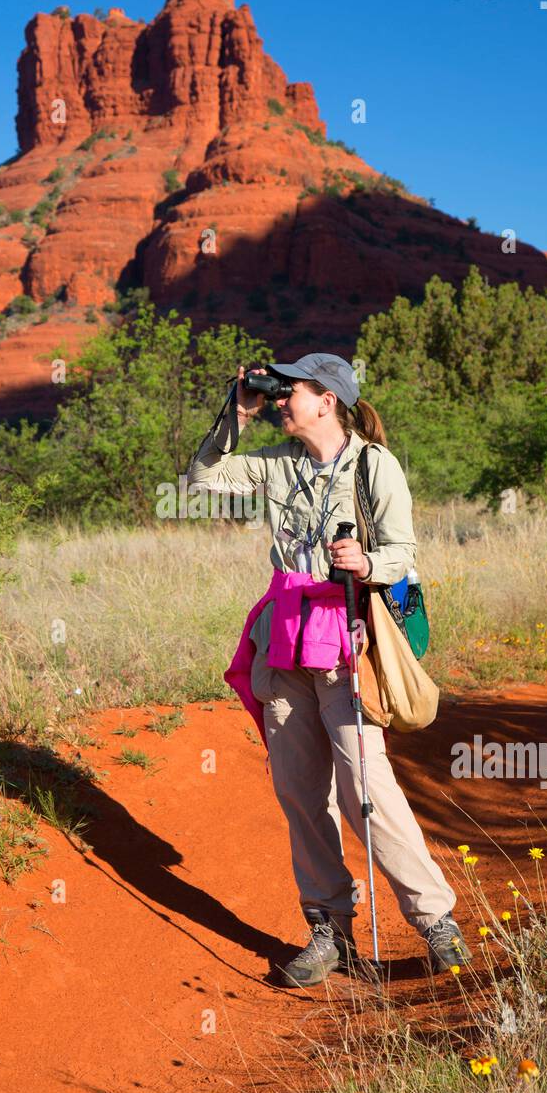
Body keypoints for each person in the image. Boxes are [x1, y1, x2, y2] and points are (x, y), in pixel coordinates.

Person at [186, 353, 472, 987]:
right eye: (279, 389)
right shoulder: (276, 465)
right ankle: (329, 928)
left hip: (348, 637)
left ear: (327, 401)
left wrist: (365, 562)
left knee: (365, 790)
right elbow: (203, 479)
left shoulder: (375, 465)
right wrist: (236, 412)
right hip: (283, 639)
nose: (282, 397)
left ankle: (436, 924)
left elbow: (403, 553)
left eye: (293, 390)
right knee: (297, 789)